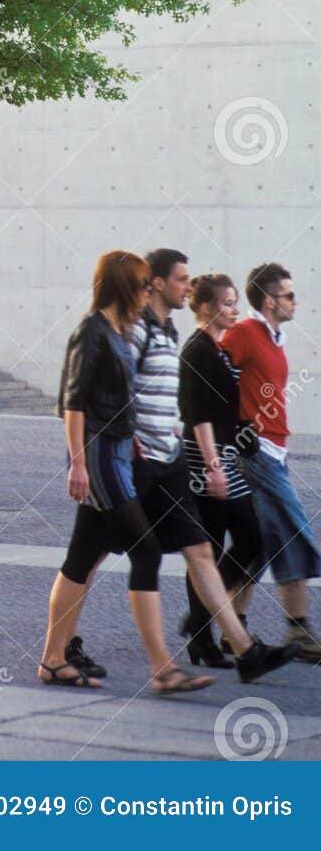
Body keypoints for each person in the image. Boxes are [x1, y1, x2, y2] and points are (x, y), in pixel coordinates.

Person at [56, 247, 296, 686]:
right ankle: (70, 650)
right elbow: (95, 392)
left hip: (168, 463)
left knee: (199, 548)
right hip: (132, 464)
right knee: (91, 554)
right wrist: (103, 448)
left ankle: (245, 651)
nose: (189, 285)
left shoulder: (165, 328)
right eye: (182, 279)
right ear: (157, 284)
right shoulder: (129, 330)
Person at [40, 249, 211, 695]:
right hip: (99, 458)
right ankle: (163, 667)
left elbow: (122, 396)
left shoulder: (120, 330)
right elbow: (73, 402)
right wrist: (77, 464)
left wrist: (133, 431)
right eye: (141, 283)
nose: (147, 290)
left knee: (81, 557)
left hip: (118, 452)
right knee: (147, 549)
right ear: (123, 286)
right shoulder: (92, 330)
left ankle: (54, 660)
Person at [222, 262, 321, 662]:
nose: (295, 302)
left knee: (261, 543)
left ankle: (232, 627)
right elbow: (208, 374)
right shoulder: (244, 333)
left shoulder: (272, 337)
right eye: (289, 295)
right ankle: (298, 630)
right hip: (256, 451)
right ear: (269, 300)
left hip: (274, 450)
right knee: (295, 531)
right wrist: (236, 430)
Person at [178, 273, 265, 666]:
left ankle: (200, 623)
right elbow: (197, 414)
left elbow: (223, 409)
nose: (235, 310)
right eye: (228, 303)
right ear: (209, 308)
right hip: (207, 462)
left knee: (250, 542)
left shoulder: (218, 349)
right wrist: (213, 466)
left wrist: (244, 431)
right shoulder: (197, 350)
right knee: (211, 549)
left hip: (225, 457)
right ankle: (202, 636)